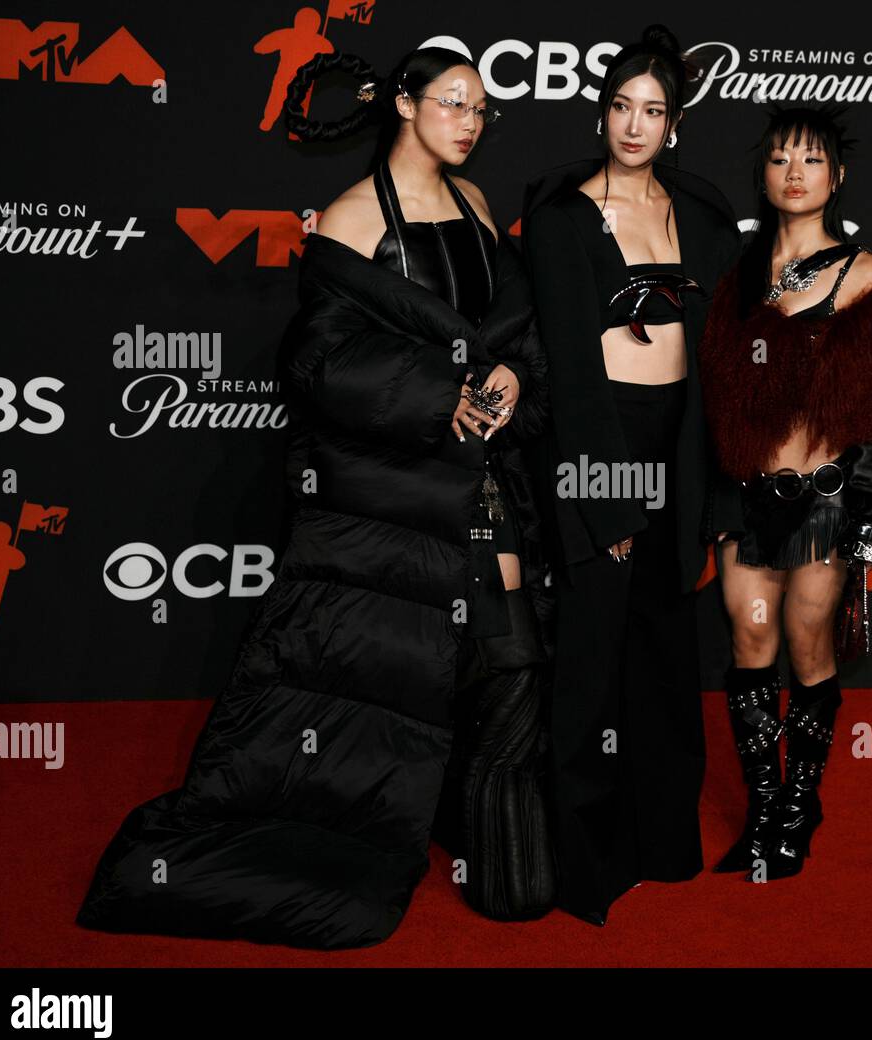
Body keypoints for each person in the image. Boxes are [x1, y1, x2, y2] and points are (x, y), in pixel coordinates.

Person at [74, 47, 554, 950]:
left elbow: (514, 327)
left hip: (487, 472)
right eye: (454, 102)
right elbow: (318, 361)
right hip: (396, 490)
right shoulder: (351, 216)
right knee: (387, 671)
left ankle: (503, 858)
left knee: (512, 656)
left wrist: (511, 380)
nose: (470, 121)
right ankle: (359, 836)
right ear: (406, 104)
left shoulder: (477, 205)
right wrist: (436, 391)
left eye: (482, 109)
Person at [520, 25, 741, 926]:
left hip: (681, 444)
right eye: (621, 106)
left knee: (665, 645)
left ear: (674, 124)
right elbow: (569, 369)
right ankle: (585, 858)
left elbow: (727, 361)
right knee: (589, 653)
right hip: (599, 440)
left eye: (653, 110)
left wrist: (718, 494)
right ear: (600, 112)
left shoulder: (700, 209)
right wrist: (598, 486)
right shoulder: (563, 212)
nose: (634, 124)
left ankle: (661, 837)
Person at [698, 104, 872, 881]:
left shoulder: (862, 275)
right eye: (780, 160)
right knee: (748, 643)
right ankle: (764, 803)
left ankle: (801, 805)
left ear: (836, 177)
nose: (795, 173)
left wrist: (871, 517)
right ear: (764, 176)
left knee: (807, 645)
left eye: (811, 160)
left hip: (823, 501)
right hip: (745, 495)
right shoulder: (736, 277)